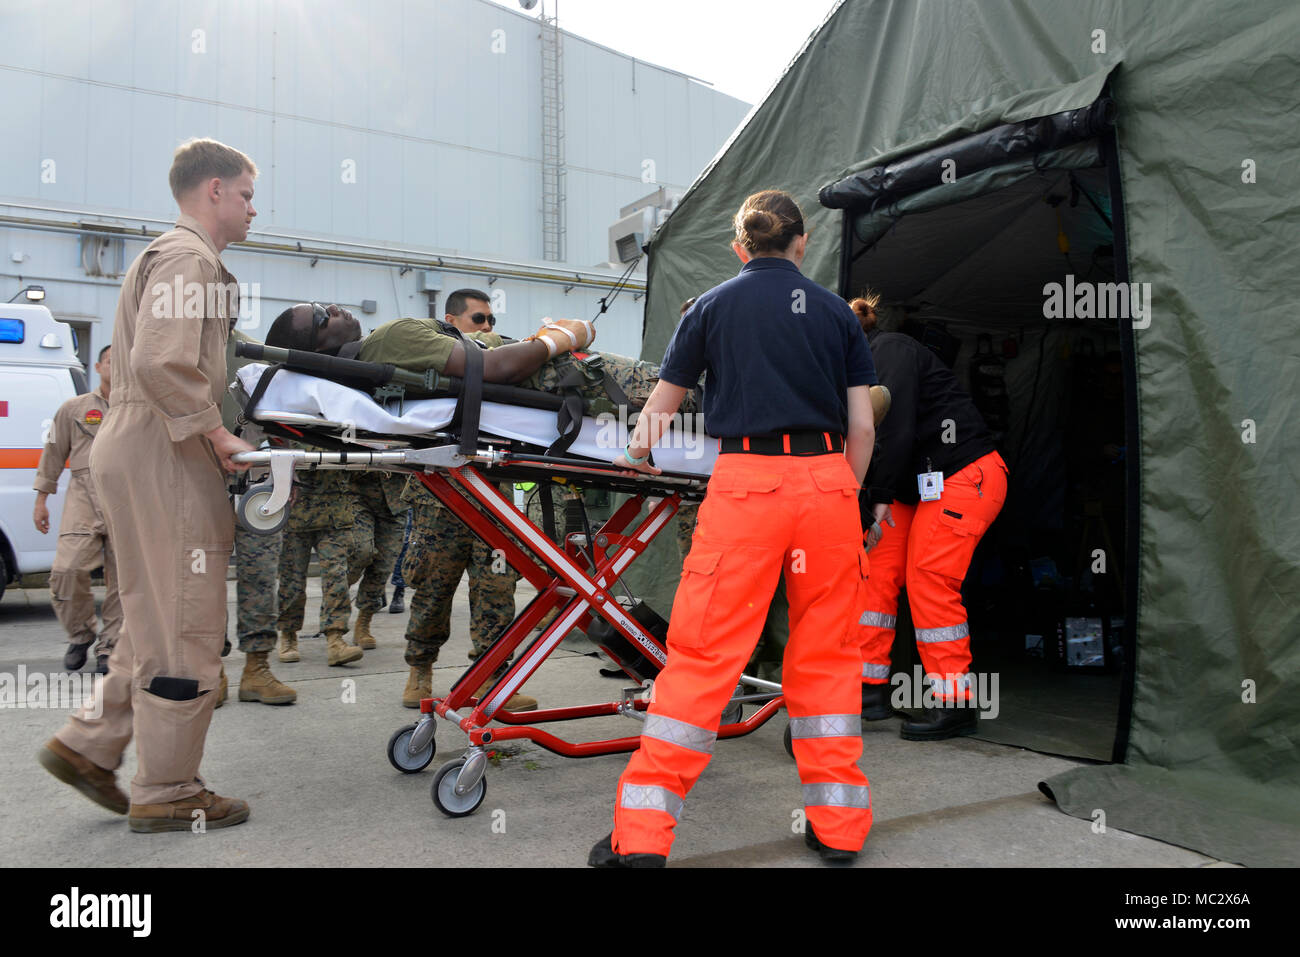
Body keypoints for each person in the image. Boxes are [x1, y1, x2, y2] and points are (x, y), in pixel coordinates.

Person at [590, 189, 878, 867]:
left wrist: (635, 454)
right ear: (803, 243)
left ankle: (642, 838)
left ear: (739, 246)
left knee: (704, 656)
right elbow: (862, 427)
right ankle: (840, 828)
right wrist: (841, 492)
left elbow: (657, 413)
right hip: (829, 485)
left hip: (747, 487)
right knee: (830, 658)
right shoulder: (838, 314)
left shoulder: (709, 308)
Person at [37, 137, 257, 832]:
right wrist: (218, 434)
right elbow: (163, 362)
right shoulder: (191, 257)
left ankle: (89, 745)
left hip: (136, 442)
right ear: (214, 190)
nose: (255, 209)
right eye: (247, 194)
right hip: (165, 447)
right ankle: (167, 786)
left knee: (150, 613)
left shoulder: (168, 256)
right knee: (186, 619)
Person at [851, 294, 1009, 740]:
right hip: (916, 484)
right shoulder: (858, 370)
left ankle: (955, 703)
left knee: (929, 578)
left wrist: (876, 497)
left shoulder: (892, 350)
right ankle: (869, 689)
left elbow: (894, 429)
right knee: (874, 572)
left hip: (965, 474)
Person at [33, 345, 121, 675]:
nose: (118, 365)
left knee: (124, 581)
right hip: (83, 498)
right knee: (66, 570)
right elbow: (53, 453)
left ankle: (111, 647)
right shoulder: (73, 409)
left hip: (126, 499)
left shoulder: (140, 409)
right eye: (112, 360)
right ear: (98, 366)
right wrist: (41, 499)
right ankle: (81, 634)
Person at [223, 327, 296, 705]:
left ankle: (256, 668)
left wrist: (287, 476)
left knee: (262, 574)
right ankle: (208, 669)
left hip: (256, 476)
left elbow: (282, 417)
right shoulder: (175, 345)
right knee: (199, 580)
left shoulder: (254, 351)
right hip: (196, 477)